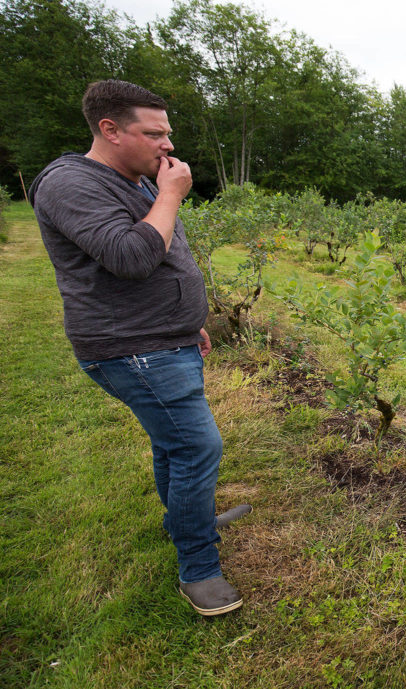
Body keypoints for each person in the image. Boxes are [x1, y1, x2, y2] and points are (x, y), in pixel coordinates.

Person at [29, 80, 245, 616]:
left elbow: (164, 249)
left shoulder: (138, 180)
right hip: (130, 347)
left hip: (164, 339)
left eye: (167, 134)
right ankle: (199, 568)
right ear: (110, 130)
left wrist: (189, 321)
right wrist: (171, 195)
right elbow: (131, 258)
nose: (167, 145)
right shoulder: (70, 183)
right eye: (153, 134)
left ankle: (185, 520)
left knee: (174, 444)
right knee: (196, 447)